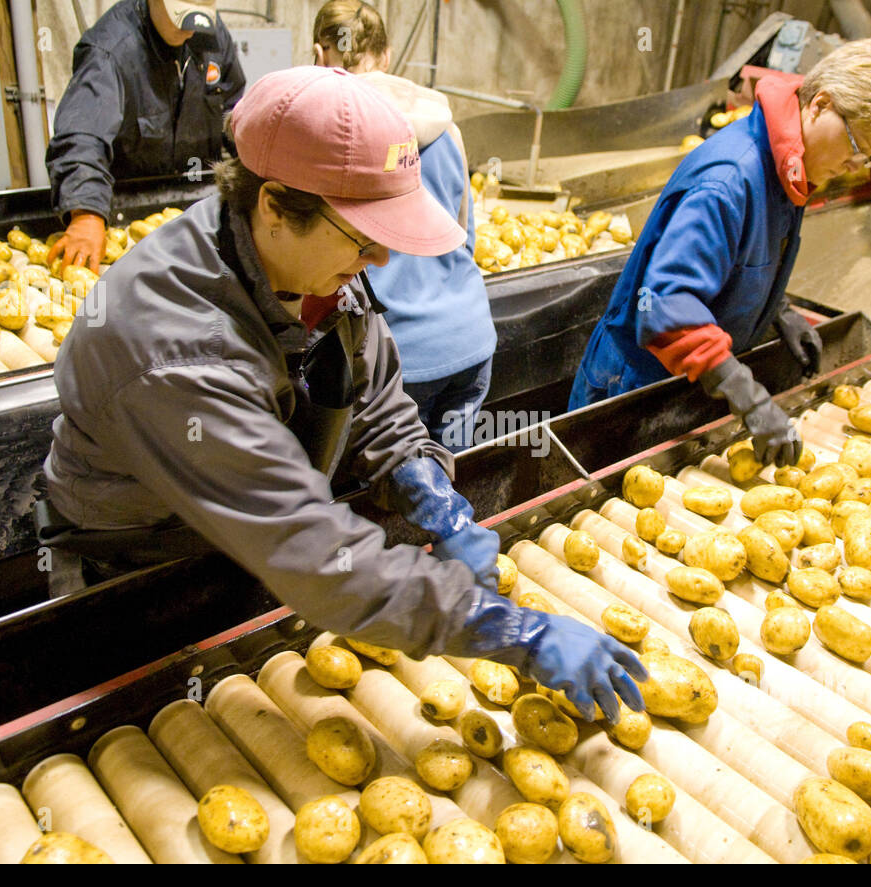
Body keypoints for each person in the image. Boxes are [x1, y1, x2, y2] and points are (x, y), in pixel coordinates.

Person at [39, 67, 645, 722]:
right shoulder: (179, 348)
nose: (380, 260)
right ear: (273, 205)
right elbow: (315, 557)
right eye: (364, 238)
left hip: (253, 545)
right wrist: (512, 632)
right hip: (140, 583)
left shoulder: (312, 264)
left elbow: (376, 393)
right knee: (153, 725)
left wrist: (428, 488)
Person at [570, 38, 871, 467]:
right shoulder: (729, 180)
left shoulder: (789, 169)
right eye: (856, 148)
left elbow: (743, 261)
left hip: (685, 385)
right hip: (631, 390)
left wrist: (781, 311)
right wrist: (748, 395)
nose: (854, 168)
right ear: (820, 105)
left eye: (868, 159)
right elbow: (667, 306)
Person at [311, 0, 496, 452]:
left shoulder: (338, 132)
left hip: (398, 360)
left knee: (385, 499)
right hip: (471, 338)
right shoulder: (444, 125)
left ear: (319, 56)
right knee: (447, 481)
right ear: (387, 55)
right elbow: (464, 237)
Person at [45, 0, 246, 271]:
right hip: (128, 216)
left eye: (199, 19)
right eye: (180, 17)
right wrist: (86, 213)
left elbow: (235, 111)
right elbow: (82, 135)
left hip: (197, 207)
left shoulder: (210, 34)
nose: (190, 31)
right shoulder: (110, 49)